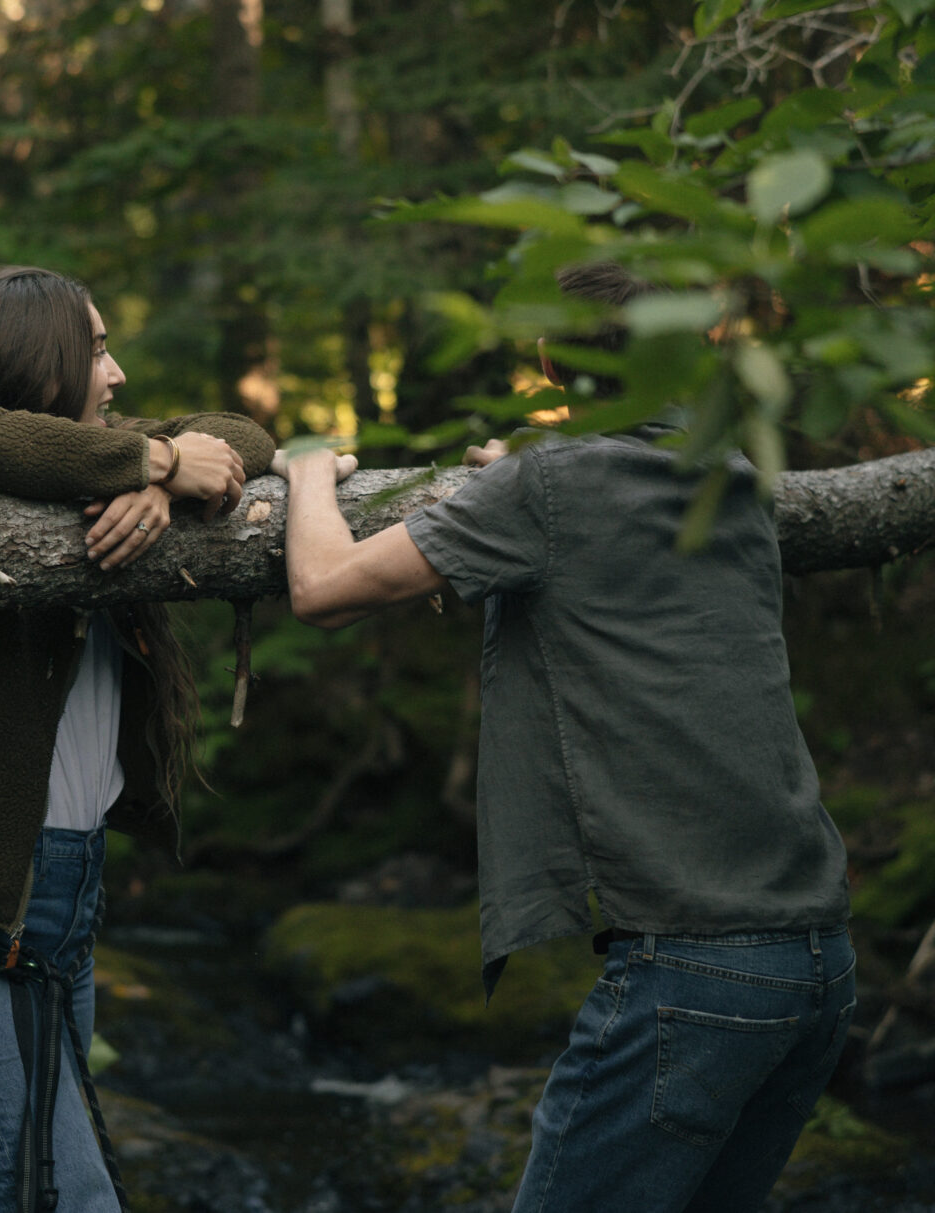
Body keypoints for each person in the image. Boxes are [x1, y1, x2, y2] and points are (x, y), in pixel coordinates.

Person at [274, 262, 853, 1213]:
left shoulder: (549, 485)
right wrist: (521, 473)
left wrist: (306, 468)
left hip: (692, 968)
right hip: (819, 960)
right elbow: (607, 529)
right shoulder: (735, 475)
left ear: (548, 361)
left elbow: (322, 589)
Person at [0, 264, 275, 1213]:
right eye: (94, 350)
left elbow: (244, 437)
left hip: (61, 932)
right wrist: (159, 464)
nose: (116, 372)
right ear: (37, 364)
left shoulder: (94, 464)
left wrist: (157, 480)